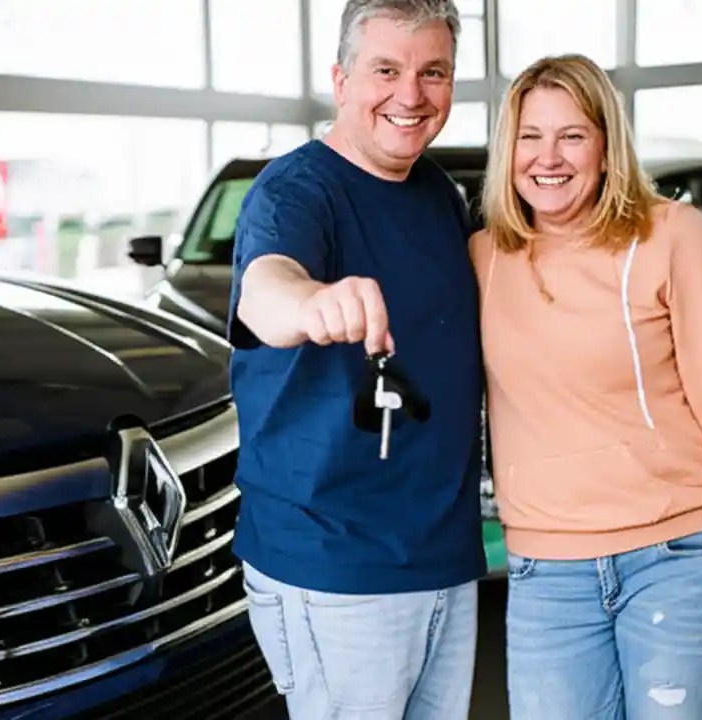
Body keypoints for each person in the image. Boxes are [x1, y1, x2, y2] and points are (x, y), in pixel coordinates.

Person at [470, 53, 702, 719]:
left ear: (606, 146)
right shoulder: (484, 257)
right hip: (545, 572)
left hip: (677, 558)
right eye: (531, 137)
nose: (548, 158)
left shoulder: (671, 236)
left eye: (572, 135)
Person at [226, 1, 485, 718]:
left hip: (441, 552)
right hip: (336, 563)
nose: (411, 95)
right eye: (386, 70)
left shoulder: (438, 194)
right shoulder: (295, 191)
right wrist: (311, 301)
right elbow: (266, 289)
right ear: (341, 81)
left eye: (433, 73)